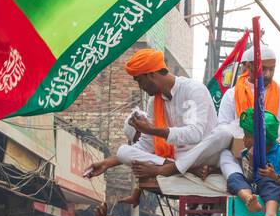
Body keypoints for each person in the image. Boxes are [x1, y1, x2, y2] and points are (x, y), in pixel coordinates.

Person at [84, 49, 228, 201]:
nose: (140, 87)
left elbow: (194, 134)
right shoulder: (155, 102)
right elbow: (146, 144)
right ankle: (180, 167)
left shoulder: (192, 89)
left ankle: (168, 169)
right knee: (123, 151)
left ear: (151, 74)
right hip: (180, 160)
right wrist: (107, 163)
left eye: (140, 81)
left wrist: (152, 130)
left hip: (204, 155)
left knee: (223, 134)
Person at [219, 110, 280, 216]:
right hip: (254, 191)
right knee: (234, 179)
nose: (243, 140)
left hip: (276, 190)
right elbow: (248, 178)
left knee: (266, 180)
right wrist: (252, 162)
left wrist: (275, 177)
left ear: (262, 139)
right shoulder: (247, 154)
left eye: (248, 136)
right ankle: (248, 201)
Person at [213, 43, 280, 149]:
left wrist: (274, 129)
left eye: (272, 69)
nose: (268, 74)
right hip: (239, 151)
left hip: (275, 153)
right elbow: (222, 127)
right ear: (249, 66)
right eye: (263, 69)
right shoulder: (231, 94)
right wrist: (244, 130)